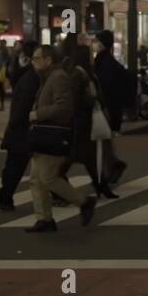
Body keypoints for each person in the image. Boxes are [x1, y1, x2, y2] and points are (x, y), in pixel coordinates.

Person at [24, 45, 96, 233]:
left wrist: (37, 114)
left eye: (37, 58)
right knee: (36, 179)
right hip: (43, 135)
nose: (34, 62)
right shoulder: (48, 77)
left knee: (47, 178)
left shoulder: (58, 77)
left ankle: (84, 202)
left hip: (52, 135)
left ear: (49, 60)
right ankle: (44, 219)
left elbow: (64, 108)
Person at [0, 41, 40, 211]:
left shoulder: (30, 77)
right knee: (43, 168)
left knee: (14, 167)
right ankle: (4, 197)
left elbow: (23, 106)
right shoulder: (28, 75)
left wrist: (15, 124)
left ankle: (4, 198)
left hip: (22, 129)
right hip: (26, 128)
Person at [59, 44, 118, 199]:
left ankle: (101, 186)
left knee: (89, 158)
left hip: (85, 122)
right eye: (90, 54)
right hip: (80, 123)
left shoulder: (86, 73)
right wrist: (92, 101)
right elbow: (75, 99)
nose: (92, 56)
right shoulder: (78, 74)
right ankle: (55, 183)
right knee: (75, 157)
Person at [92, 31, 129, 185]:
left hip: (105, 108)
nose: (94, 43)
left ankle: (109, 169)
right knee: (102, 142)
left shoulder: (104, 61)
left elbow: (106, 87)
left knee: (100, 142)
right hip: (107, 108)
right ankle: (110, 167)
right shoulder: (106, 60)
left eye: (97, 41)